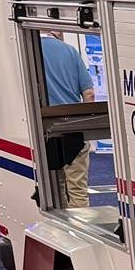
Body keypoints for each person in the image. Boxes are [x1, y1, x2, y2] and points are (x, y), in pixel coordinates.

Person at [40, 29, 97, 207]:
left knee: (56, 188)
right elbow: (88, 93)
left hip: (43, 129)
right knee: (78, 188)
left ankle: (59, 229)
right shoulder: (70, 51)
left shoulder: (26, 51)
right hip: (73, 128)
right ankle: (82, 231)